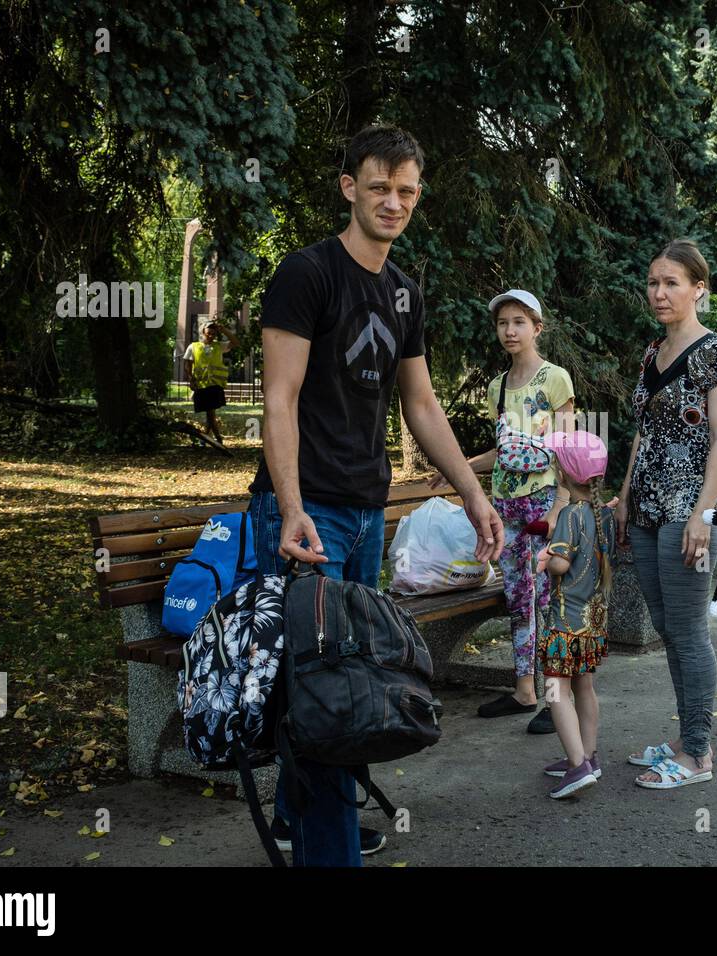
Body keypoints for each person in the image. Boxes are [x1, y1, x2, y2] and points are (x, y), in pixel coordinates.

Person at [247, 125, 505, 867]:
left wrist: (475, 494)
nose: (393, 202)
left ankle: (303, 818)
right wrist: (291, 506)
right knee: (326, 698)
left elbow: (420, 406)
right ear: (349, 187)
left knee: (335, 689)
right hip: (309, 514)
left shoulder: (403, 293)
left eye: (407, 191)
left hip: (364, 515)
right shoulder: (307, 274)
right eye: (380, 187)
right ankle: (329, 855)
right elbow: (280, 397)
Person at [615, 239, 717, 790]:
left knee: (688, 632)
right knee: (667, 627)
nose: (660, 293)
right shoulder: (651, 353)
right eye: (653, 283)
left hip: (687, 510)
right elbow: (642, 433)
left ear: (698, 288)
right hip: (645, 507)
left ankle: (697, 754)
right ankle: (687, 736)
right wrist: (623, 497)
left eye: (671, 283)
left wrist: (704, 514)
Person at [428, 290, 574, 734]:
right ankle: (524, 690)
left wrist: (560, 510)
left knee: (547, 599)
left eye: (519, 322)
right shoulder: (497, 386)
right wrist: (462, 468)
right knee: (518, 598)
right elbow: (504, 449)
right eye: (502, 323)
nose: (509, 330)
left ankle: (557, 696)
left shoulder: (555, 379)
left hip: (544, 505)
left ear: (537, 328)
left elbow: (569, 450)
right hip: (507, 507)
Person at [533, 431, 614, 798]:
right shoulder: (605, 516)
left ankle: (577, 766)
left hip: (565, 621)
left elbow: (563, 565)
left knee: (554, 690)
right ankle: (588, 756)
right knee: (584, 686)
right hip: (594, 622)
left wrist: (548, 557)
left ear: (563, 475)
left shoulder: (570, 514)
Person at [183, 319, 240, 443]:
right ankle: (210, 439)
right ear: (203, 332)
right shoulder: (193, 347)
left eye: (213, 334)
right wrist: (191, 380)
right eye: (208, 333)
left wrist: (224, 330)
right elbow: (187, 365)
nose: (211, 336)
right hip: (201, 385)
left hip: (215, 385)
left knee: (210, 413)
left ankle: (214, 440)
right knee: (210, 413)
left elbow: (236, 342)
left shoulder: (219, 346)